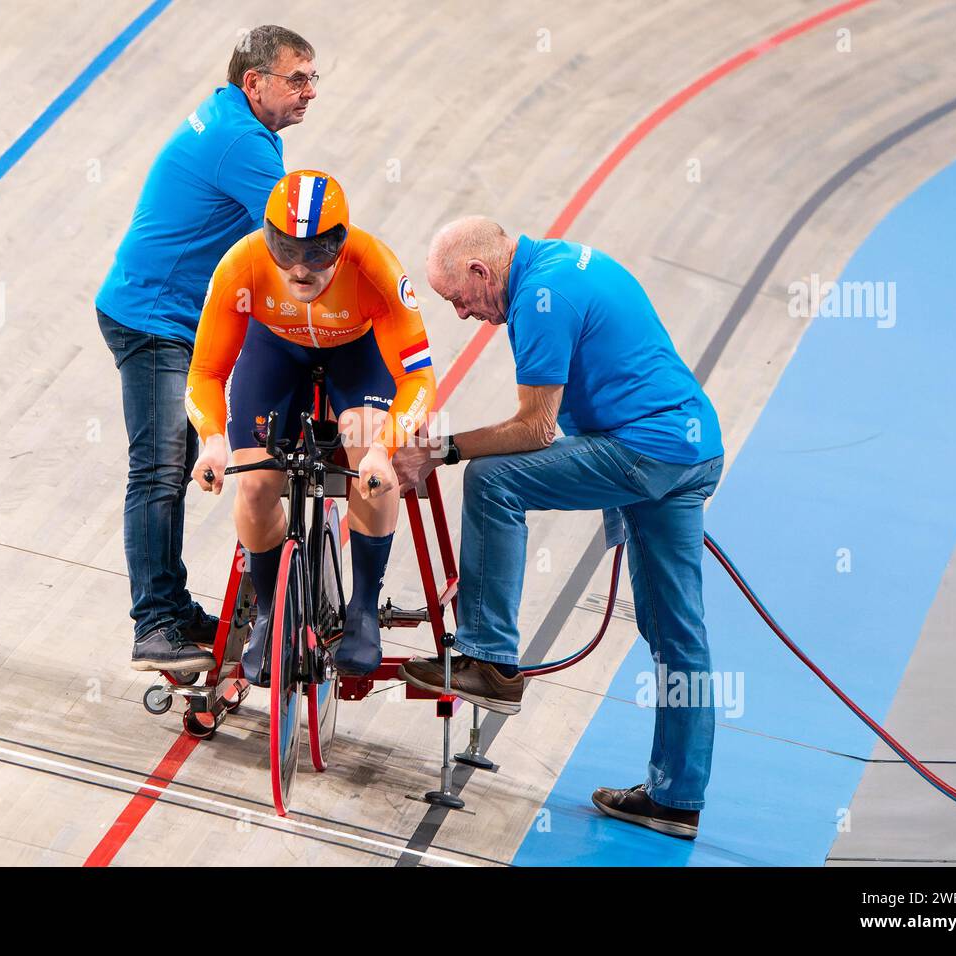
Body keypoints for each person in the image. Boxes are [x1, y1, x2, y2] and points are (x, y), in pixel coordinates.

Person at [394, 217, 724, 840]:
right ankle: (678, 798)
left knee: (492, 480)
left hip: (646, 455)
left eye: (457, 299)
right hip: (689, 449)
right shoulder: (562, 263)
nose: (462, 314)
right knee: (678, 633)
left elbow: (534, 431)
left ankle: (490, 660)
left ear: (480, 271)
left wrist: (438, 449)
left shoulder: (538, 301)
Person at [95, 26, 318, 674]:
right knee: (161, 469)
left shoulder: (238, 121)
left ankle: (171, 603)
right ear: (255, 83)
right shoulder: (242, 142)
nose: (309, 92)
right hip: (154, 320)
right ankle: (155, 622)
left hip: (175, 316)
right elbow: (292, 244)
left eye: (312, 79)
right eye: (296, 79)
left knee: (178, 460)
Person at [186, 170, 436, 683]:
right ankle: (270, 615)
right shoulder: (242, 264)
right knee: (254, 482)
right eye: (286, 250)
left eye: (317, 253)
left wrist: (382, 450)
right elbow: (206, 372)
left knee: (367, 444)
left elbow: (419, 378)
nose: (300, 269)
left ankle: (363, 610)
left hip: (356, 350)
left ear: (341, 242)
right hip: (275, 347)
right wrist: (212, 441)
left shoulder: (376, 268)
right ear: (268, 238)